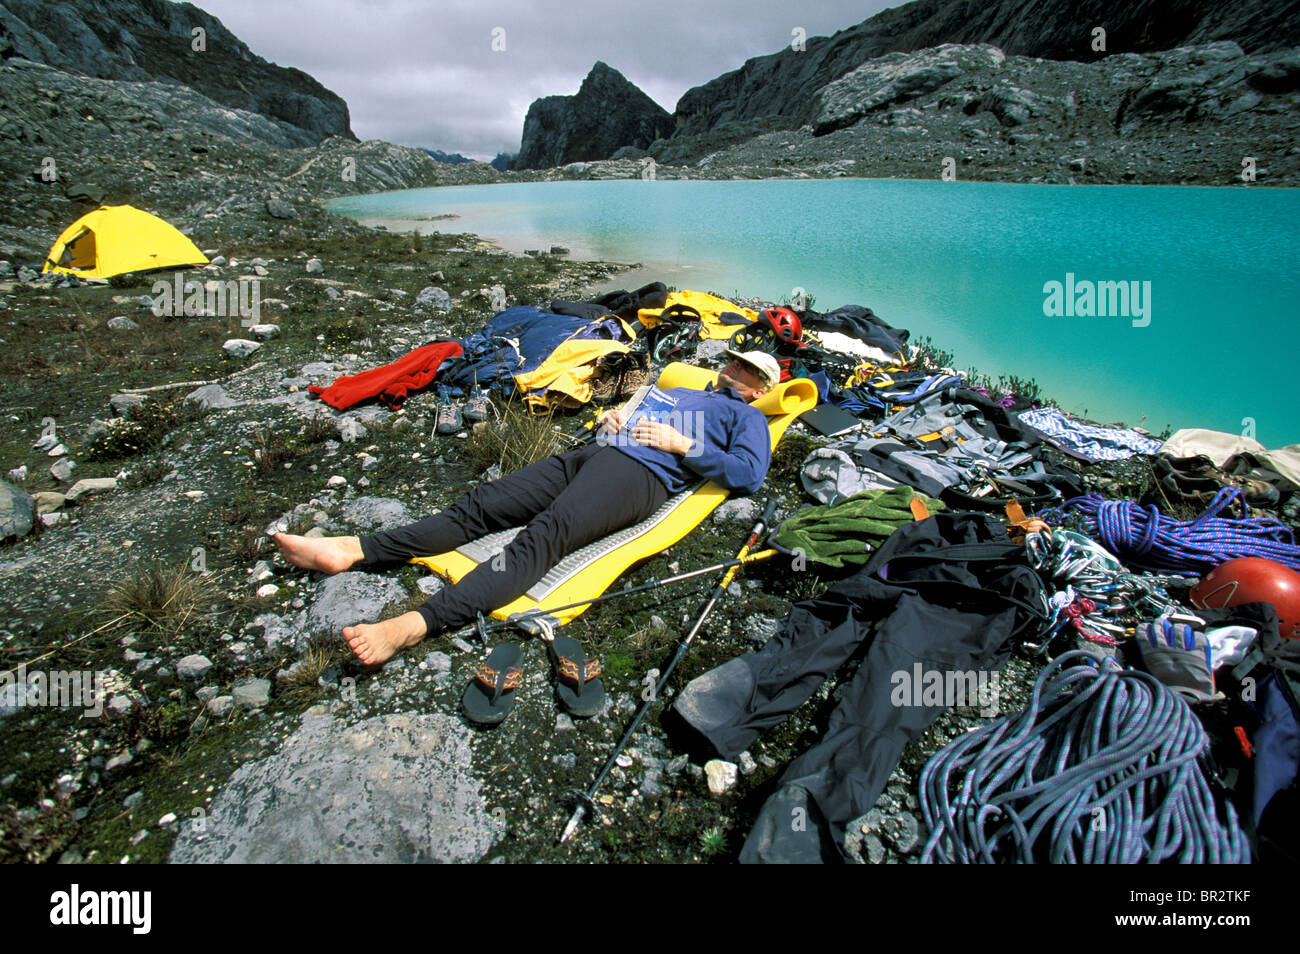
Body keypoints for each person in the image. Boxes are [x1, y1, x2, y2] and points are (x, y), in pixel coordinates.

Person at [274, 350, 781, 665]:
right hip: (597, 454)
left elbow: (749, 475)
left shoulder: (748, 418)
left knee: (546, 534)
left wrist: (680, 444)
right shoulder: (682, 390)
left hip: (642, 476)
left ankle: (415, 625)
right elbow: (625, 417)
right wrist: (610, 421)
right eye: (737, 361)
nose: (736, 370)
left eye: (751, 372)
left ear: (762, 390)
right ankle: (355, 549)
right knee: (481, 505)